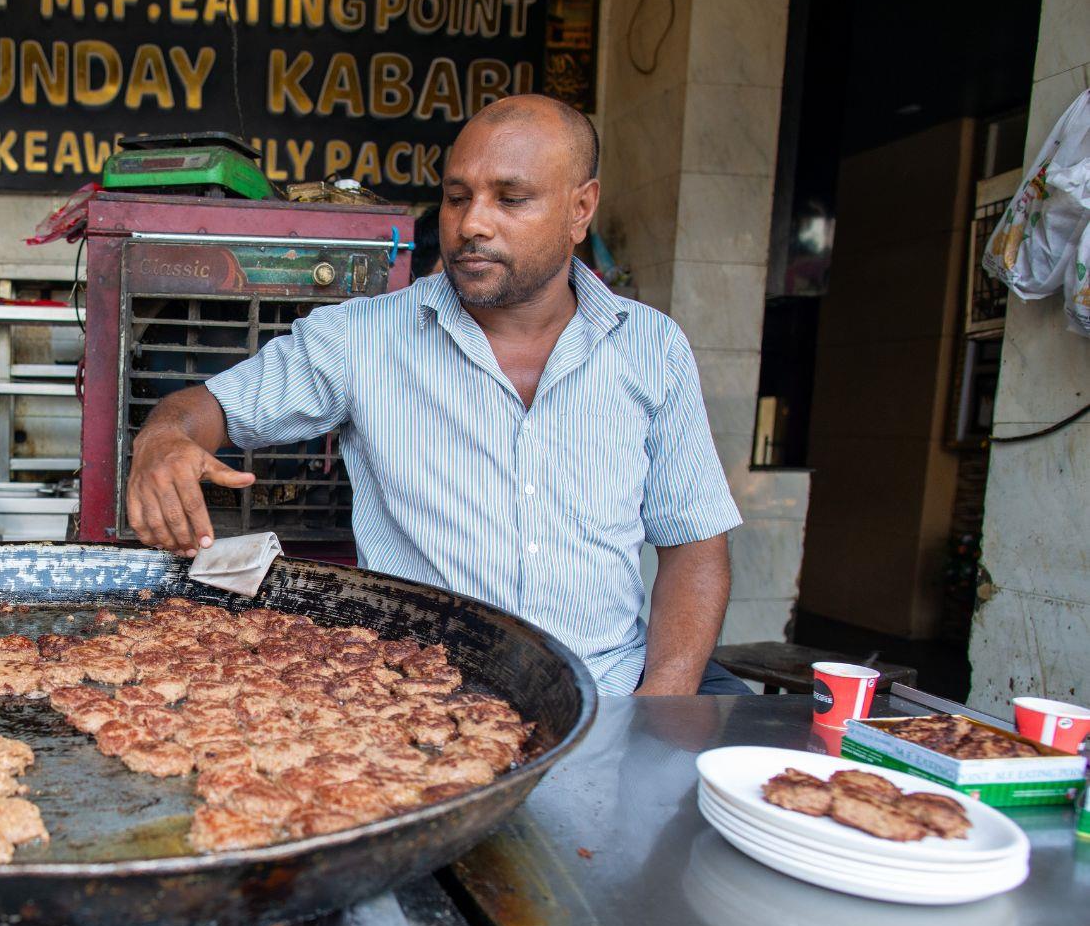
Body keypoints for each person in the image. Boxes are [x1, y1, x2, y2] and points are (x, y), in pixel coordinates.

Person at [125, 95, 747, 697]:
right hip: (428, 703)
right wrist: (162, 439)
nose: (472, 223)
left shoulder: (651, 347)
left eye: (511, 199)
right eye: (456, 198)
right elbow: (205, 409)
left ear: (580, 210)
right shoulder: (362, 338)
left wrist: (658, 708)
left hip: (608, 694)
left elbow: (693, 549)